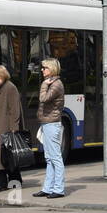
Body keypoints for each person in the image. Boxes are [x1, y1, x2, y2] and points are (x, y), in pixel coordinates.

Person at [33, 58, 66, 199]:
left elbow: (43, 98)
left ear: (51, 69)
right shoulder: (51, 83)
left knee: (55, 157)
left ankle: (58, 189)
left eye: (44, 67)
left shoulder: (56, 84)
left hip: (52, 123)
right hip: (47, 123)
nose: (42, 70)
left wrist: (43, 86)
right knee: (49, 158)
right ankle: (48, 188)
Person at [0, 65, 24, 192]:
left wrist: (14, 127)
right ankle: (6, 182)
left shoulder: (10, 88)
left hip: (6, 126)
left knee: (6, 156)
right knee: (0, 156)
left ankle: (6, 182)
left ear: (3, 76)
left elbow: (15, 109)